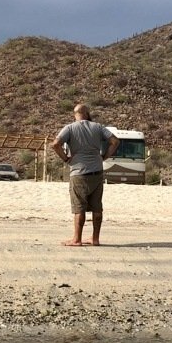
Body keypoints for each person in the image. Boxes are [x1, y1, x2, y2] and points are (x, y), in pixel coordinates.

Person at [52, 104, 119, 246]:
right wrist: (104, 156)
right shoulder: (98, 127)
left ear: (74, 114)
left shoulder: (70, 128)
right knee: (97, 207)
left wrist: (66, 159)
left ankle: (77, 239)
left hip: (79, 172)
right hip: (97, 172)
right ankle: (95, 238)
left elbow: (56, 144)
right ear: (87, 113)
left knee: (79, 207)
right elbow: (115, 141)